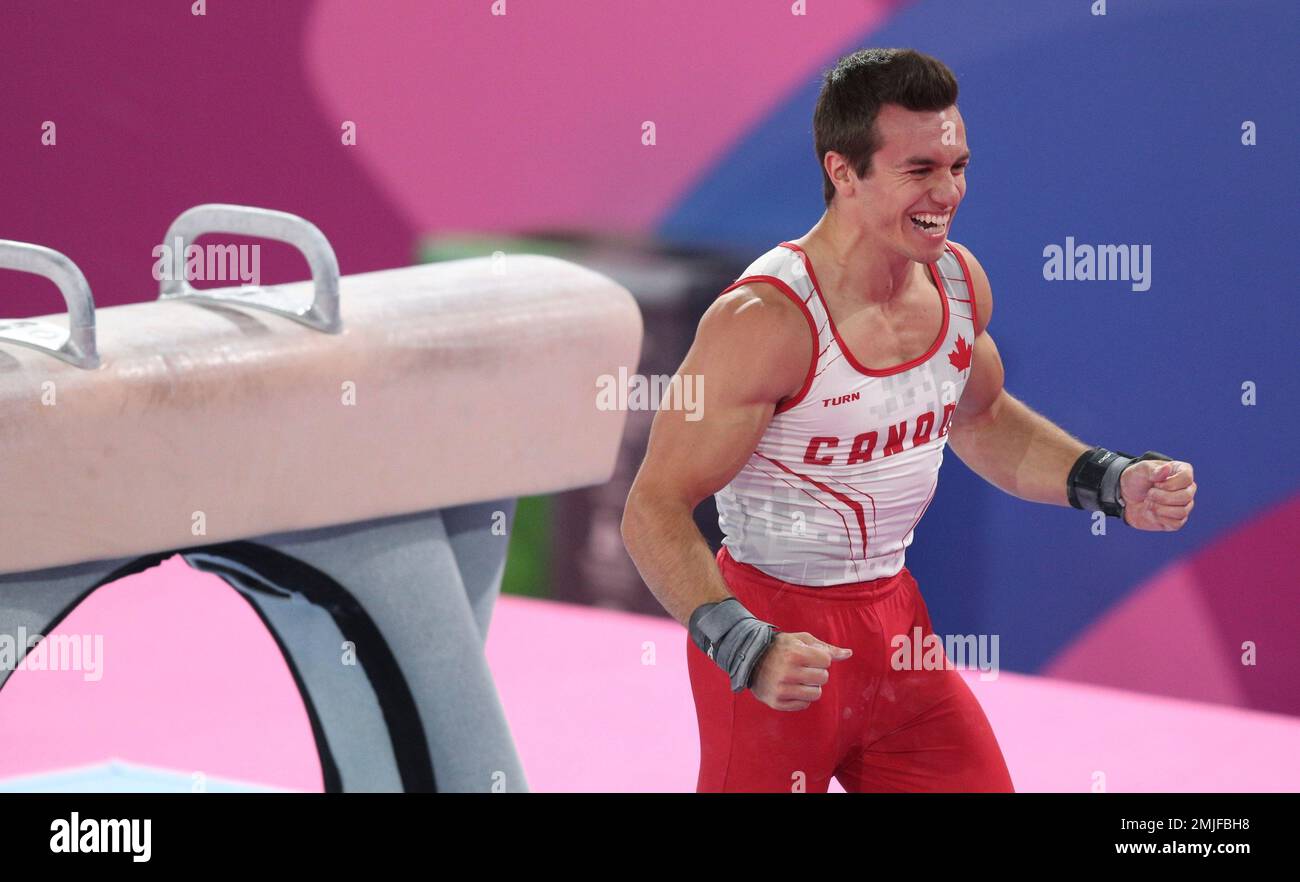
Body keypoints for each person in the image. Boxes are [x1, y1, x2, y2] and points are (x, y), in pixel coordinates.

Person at [620, 48, 1197, 793]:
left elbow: (982, 420)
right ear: (843, 170)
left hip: (898, 632)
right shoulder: (766, 321)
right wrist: (741, 645)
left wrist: (1110, 480)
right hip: (777, 634)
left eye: (958, 166)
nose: (949, 192)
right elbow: (652, 507)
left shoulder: (956, 281)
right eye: (920, 170)